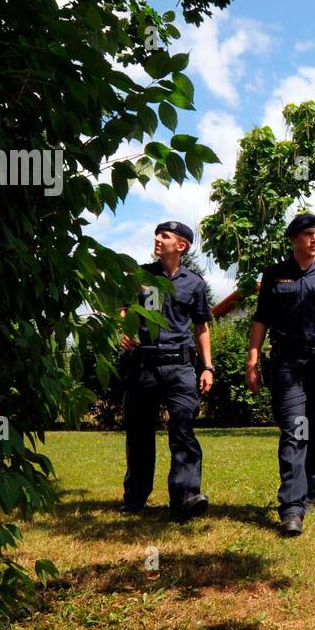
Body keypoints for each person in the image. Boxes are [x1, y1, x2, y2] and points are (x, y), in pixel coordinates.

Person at [246, 213, 315, 537]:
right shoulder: (274, 275)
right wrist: (252, 360)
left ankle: (308, 490)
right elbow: (260, 320)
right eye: (308, 234)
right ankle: (291, 509)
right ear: (293, 239)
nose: (314, 239)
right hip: (287, 364)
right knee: (296, 430)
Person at [120, 221, 214, 521]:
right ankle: (135, 498)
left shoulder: (194, 283)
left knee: (183, 429)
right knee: (139, 434)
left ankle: (185, 498)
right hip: (143, 364)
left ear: (181, 246)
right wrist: (123, 327)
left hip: (180, 367)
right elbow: (123, 309)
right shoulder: (141, 276)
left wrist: (207, 366)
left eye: (165, 236)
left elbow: (201, 326)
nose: (157, 239)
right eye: (157, 234)